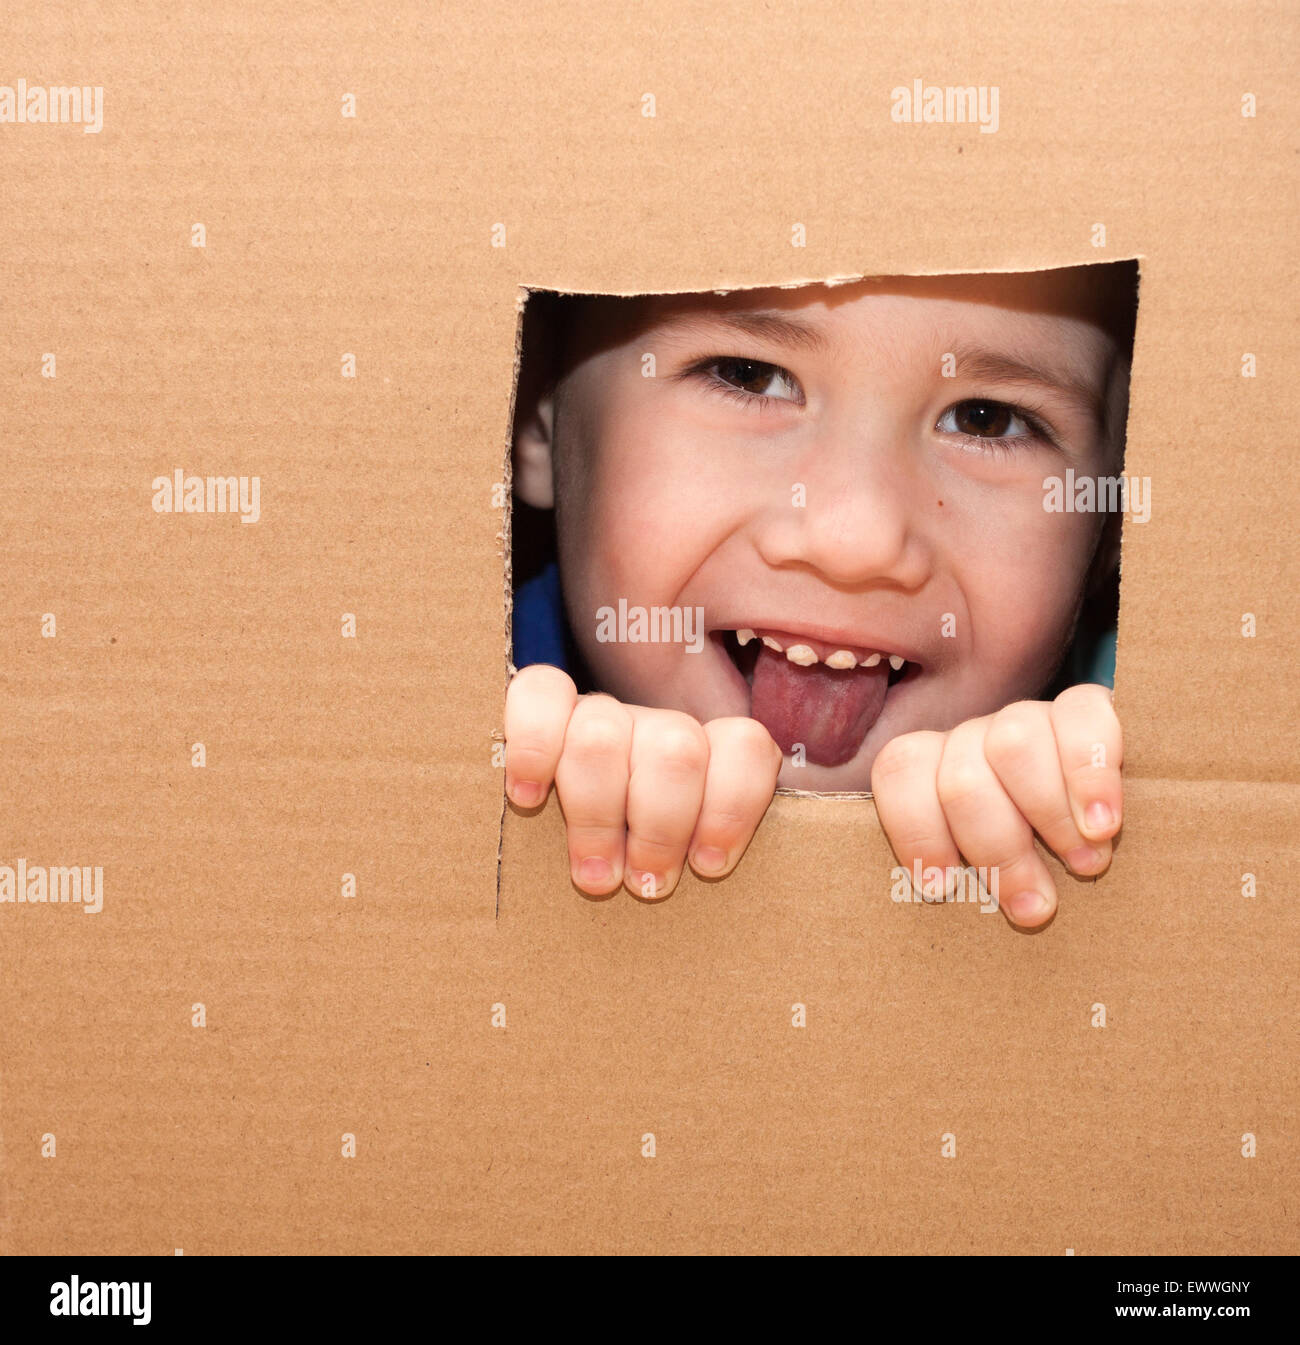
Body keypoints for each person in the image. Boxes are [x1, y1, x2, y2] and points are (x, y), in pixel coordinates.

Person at [504, 265, 1136, 928]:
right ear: (536, 413)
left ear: (1110, 526)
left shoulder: (1116, 737)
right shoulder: (471, 686)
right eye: (747, 375)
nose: (854, 539)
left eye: (987, 420)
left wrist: (1078, 794)